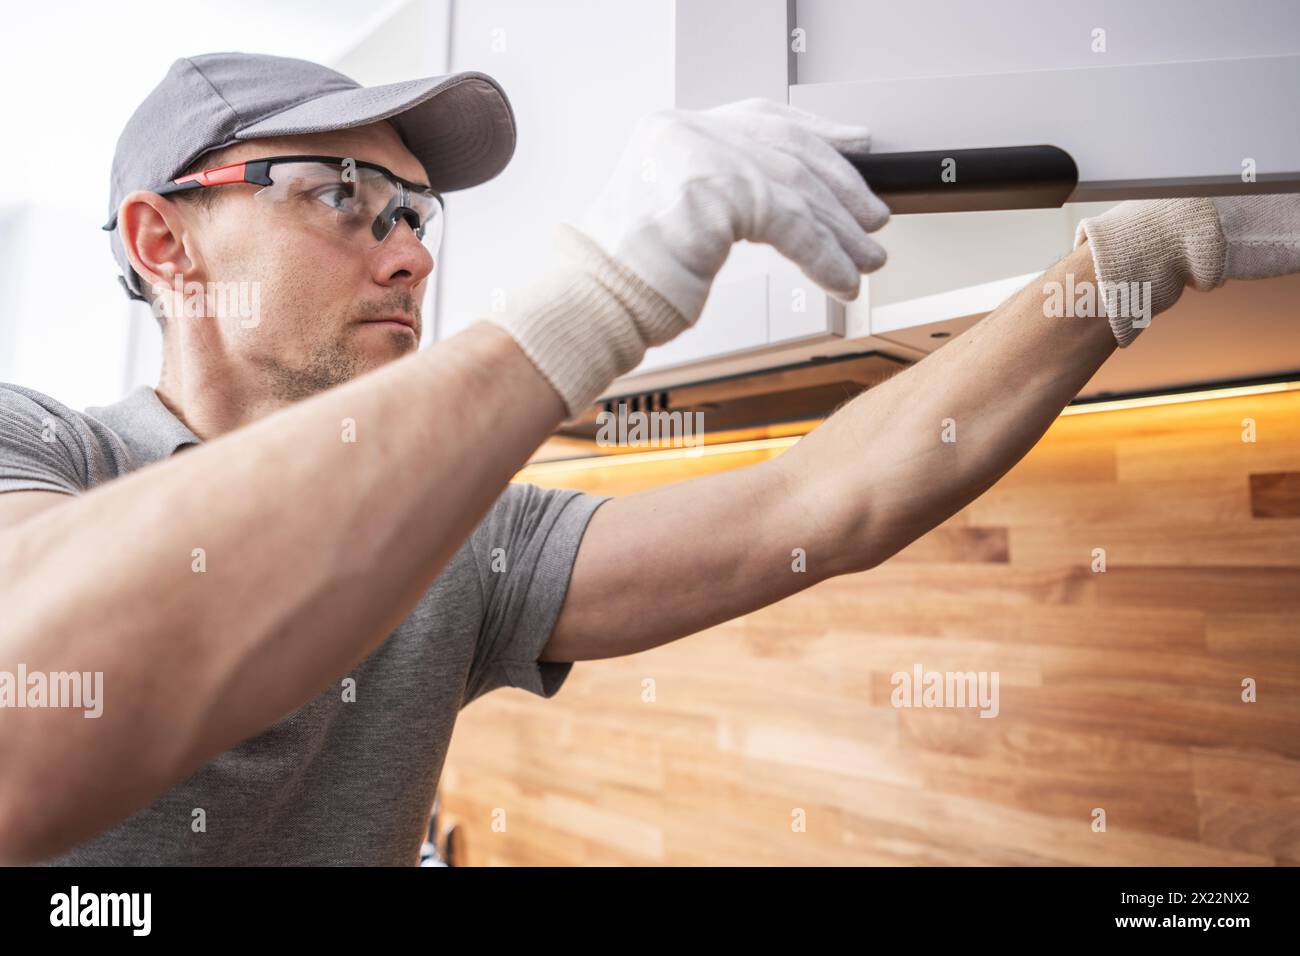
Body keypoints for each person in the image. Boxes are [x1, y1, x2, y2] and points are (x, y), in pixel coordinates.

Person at [0, 52, 1295, 865]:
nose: (410, 252)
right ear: (166, 244)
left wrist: (1128, 268)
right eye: (343, 195)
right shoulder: (36, 452)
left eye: (414, 212)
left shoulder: (462, 537)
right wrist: (598, 296)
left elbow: (824, 499)